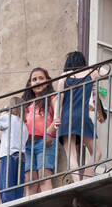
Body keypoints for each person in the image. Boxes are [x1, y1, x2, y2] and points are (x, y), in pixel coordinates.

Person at [54, 50, 104, 182]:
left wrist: (55, 118)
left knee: (71, 154)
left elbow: (59, 99)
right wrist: (94, 68)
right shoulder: (90, 74)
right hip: (83, 116)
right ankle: (86, 179)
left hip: (66, 117)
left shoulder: (64, 76)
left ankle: (77, 182)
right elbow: (106, 72)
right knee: (96, 153)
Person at [22, 67, 57, 193]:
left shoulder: (52, 97)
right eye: (34, 79)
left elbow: (58, 118)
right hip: (27, 144)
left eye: (41, 78)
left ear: (47, 81)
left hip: (44, 141)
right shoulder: (26, 104)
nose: (37, 82)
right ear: (30, 84)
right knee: (30, 181)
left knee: (44, 178)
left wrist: (48, 132)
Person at [0, 97, 29, 203]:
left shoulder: (8, 117)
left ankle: (7, 202)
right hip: (21, 156)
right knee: (18, 181)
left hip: (9, 154)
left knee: (5, 181)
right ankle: (17, 201)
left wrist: (4, 111)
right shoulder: (24, 125)